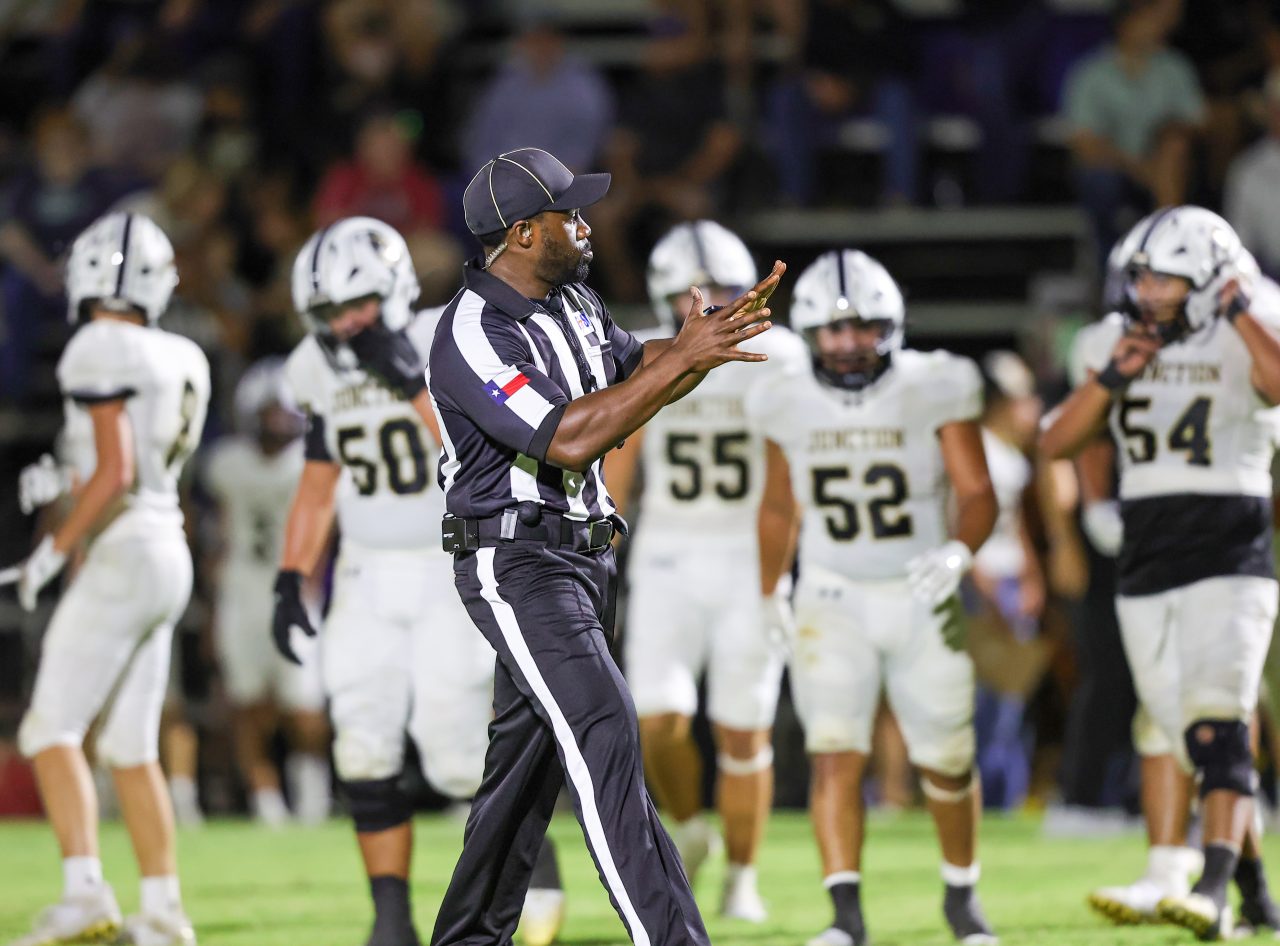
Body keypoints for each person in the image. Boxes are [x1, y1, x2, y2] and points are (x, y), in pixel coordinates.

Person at [425, 147, 784, 946]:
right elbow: (569, 438)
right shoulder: (472, 330)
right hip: (516, 561)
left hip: (587, 558)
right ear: (522, 233)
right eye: (568, 214)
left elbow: (634, 370)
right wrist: (682, 360)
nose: (586, 226)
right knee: (606, 728)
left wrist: (700, 342)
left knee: (523, 775)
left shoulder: (574, 302)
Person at [272, 216, 531, 946]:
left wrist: (411, 383)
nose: (344, 325)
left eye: (355, 306)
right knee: (361, 741)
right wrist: (292, 575)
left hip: (448, 561)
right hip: (362, 572)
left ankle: (527, 862)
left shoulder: (448, 336)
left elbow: (481, 447)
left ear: (394, 291)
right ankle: (391, 921)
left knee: (453, 751)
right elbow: (321, 478)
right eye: (328, 313)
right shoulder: (314, 368)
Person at [748, 249, 999, 946]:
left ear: (894, 326)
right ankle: (846, 919)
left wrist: (959, 550)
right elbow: (778, 505)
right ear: (807, 332)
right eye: (834, 330)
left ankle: (961, 898)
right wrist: (771, 592)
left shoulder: (936, 383)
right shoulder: (783, 394)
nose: (850, 343)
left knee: (946, 760)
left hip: (920, 591)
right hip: (832, 592)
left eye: (865, 327)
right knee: (835, 751)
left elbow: (977, 490)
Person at [1041, 206, 1280, 940]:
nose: (1146, 290)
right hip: (1146, 539)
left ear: (1212, 278)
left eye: (1164, 277)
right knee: (1176, 727)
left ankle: (1207, 888)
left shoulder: (1256, 317)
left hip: (1231, 534)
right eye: (1139, 274)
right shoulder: (1114, 337)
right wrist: (1116, 373)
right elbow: (1055, 441)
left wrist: (1238, 314)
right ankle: (1252, 895)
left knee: (1218, 723)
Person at [4, 211, 210, 946]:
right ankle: (163, 911)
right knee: (132, 746)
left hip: (122, 548)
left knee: (49, 728)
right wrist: (63, 475)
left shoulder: (95, 344)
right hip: (167, 547)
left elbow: (116, 470)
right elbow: (131, 459)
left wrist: (54, 546)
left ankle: (85, 893)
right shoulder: (184, 352)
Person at [605, 220, 808, 921]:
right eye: (695, 295)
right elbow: (620, 450)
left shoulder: (781, 356)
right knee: (657, 720)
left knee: (742, 730)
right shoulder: (645, 352)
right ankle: (691, 830)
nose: (711, 305)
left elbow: (786, 483)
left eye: (723, 291)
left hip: (745, 555)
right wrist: (601, 543)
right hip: (667, 553)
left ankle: (745, 875)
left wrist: (773, 579)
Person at [204, 357, 331, 826]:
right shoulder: (227, 463)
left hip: (292, 587)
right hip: (242, 587)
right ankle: (266, 800)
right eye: (269, 411)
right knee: (247, 701)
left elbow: (325, 532)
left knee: (305, 705)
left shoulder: (310, 460)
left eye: (284, 411)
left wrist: (311, 590)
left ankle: (312, 794)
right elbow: (216, 533)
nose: (278, 420)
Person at [1062, 0, 1204, 271]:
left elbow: (1195, 123)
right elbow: (1085, 143)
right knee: (1099, 179)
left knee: (1174, 148)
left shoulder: (1174, 67)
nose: (1156, 25)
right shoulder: (1091, 73)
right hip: (1118, 171)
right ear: (1125, 25)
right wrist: (1140, 168)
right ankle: (1110, 272)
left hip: (1167, 174)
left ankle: (1169, 258)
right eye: (1147, 18)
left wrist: (1164, 146)